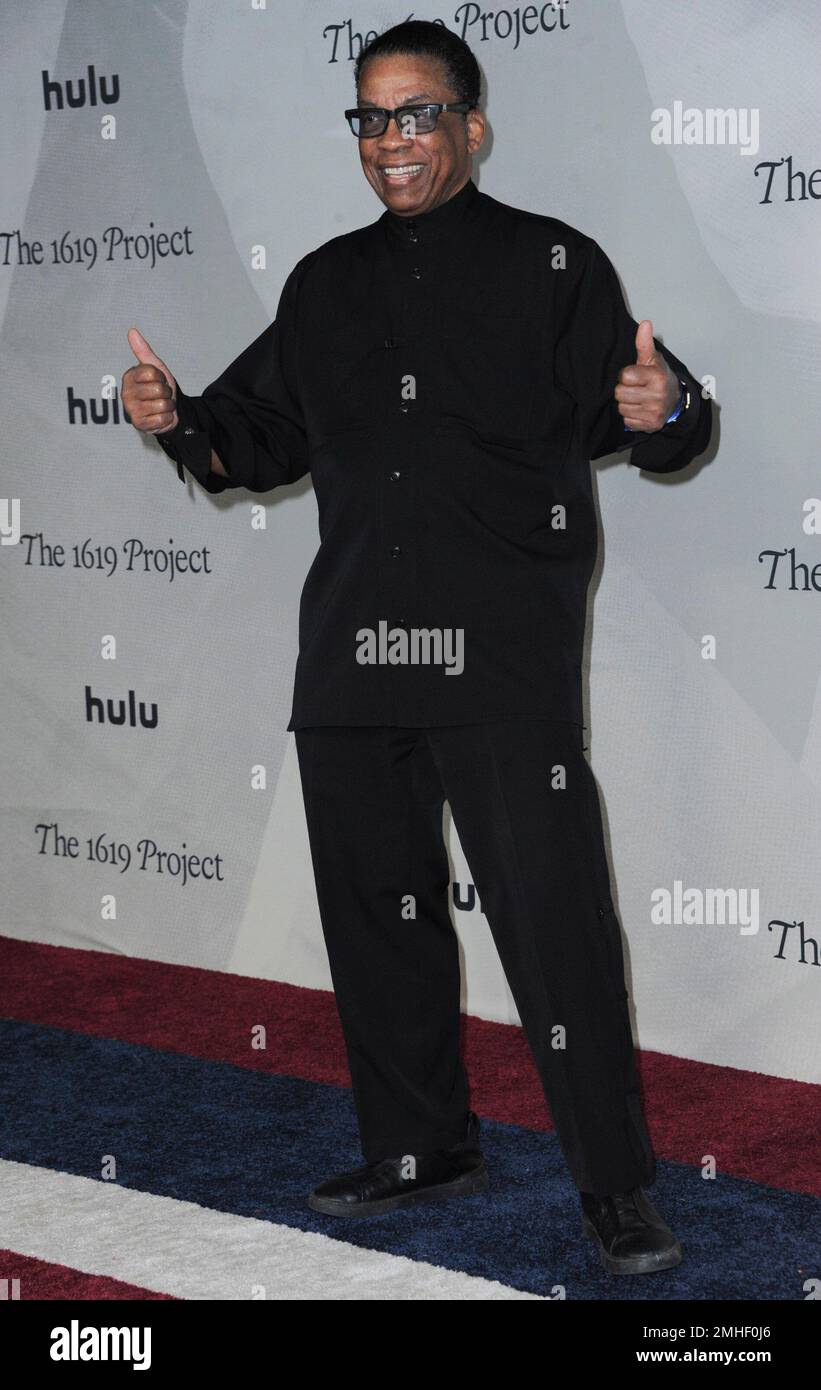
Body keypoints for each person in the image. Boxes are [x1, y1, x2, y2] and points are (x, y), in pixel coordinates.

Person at [121, 20, 712, 1276]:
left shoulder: (554, 265)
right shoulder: (324, 285)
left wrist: (670, 412)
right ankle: (417, 1146)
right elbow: (253, 441)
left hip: (499, 655)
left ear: (468, 126)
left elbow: (650, 408)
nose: (391, 139)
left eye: (415, 114)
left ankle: (614, 1188)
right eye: (370, 118)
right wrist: (180, 422)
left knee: (552, 926)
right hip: (350, 656)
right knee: (379, 919)